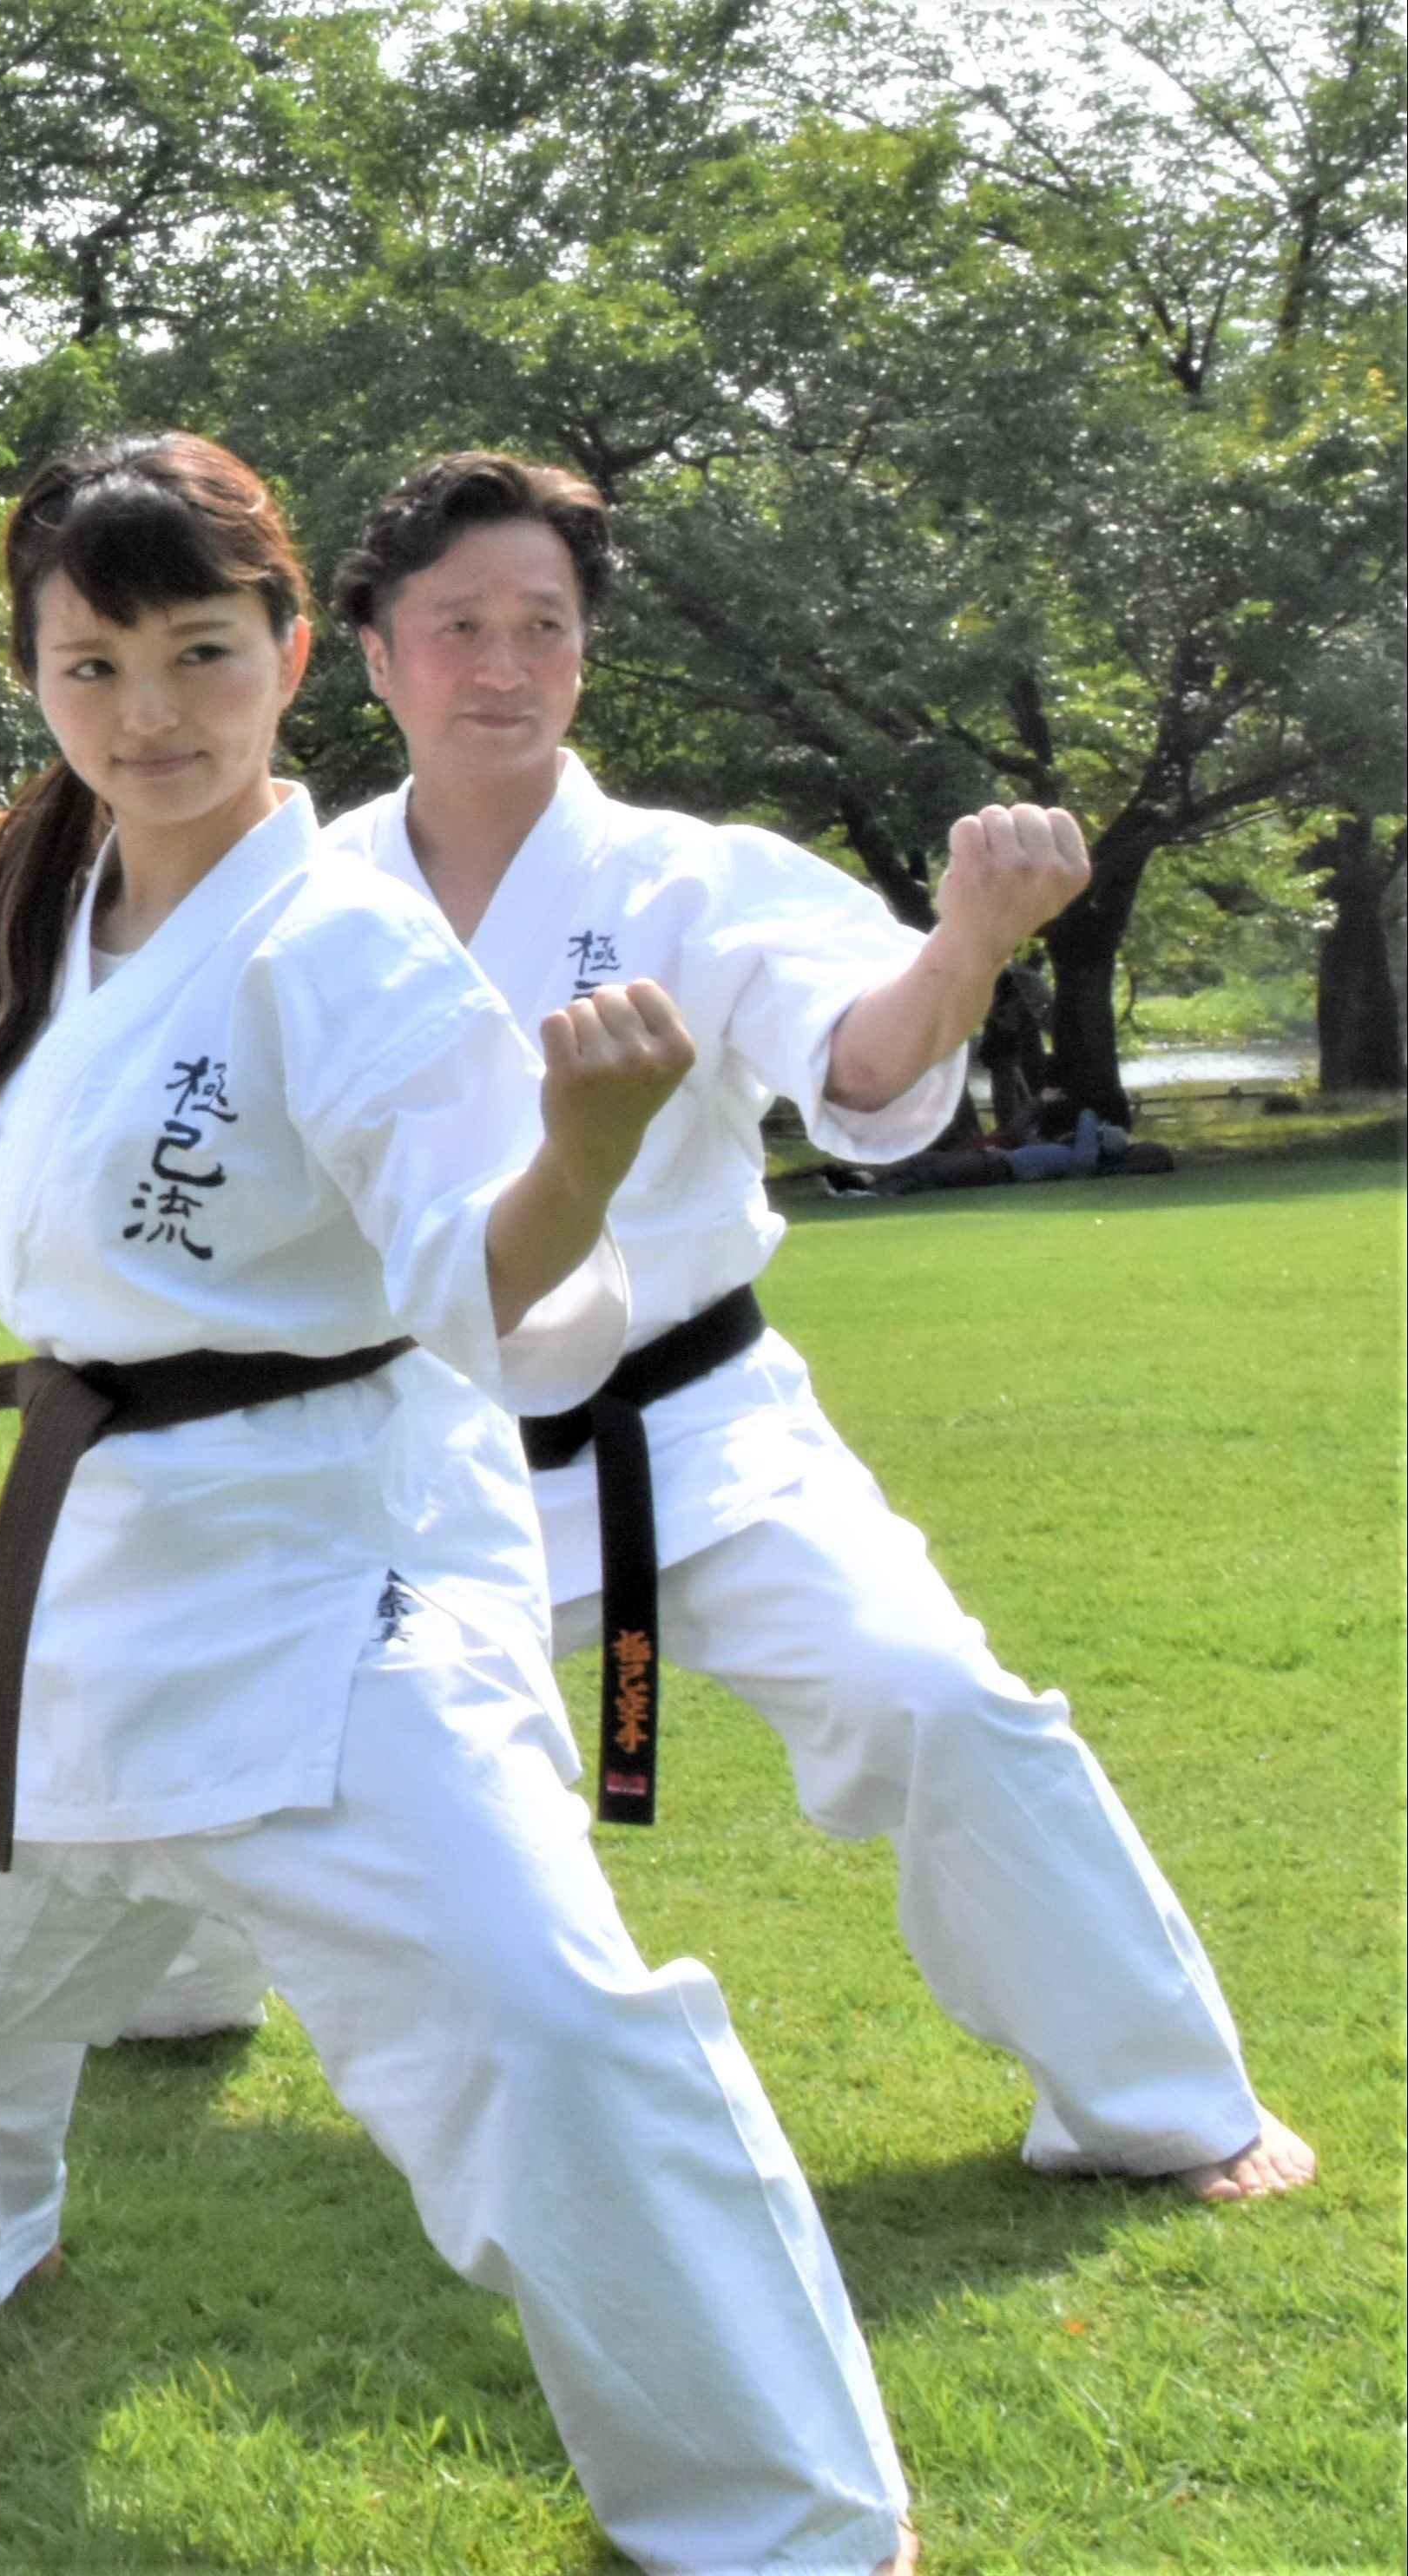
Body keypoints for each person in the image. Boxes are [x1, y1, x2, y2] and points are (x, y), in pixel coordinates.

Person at [0, 434, 917, 2574]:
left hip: (323, 1542)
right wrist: (18, 1208)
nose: (152, 713)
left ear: (294, 650)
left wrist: (579, 1145)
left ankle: (780, 2510)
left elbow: (478, 1276)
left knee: (539, 2017)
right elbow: (104, 1183)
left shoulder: (353, 941)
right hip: (88, 1532)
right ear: (34, 676)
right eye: (92, 665)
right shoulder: (64, 891)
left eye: (201, 653)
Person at [128, 452, 1307, 2207]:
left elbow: (861, 1054)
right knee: (192, 1722)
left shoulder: (694, 875)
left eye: (545, 626)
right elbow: (152, 1122)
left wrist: (969, 943)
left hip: (692, 1419)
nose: (505, 665)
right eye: (460, 627)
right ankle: (154, 1995)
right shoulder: (284, 896)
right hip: (395, 1450)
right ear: (369, 654)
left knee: (939, 1699)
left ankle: (1152, 2096)